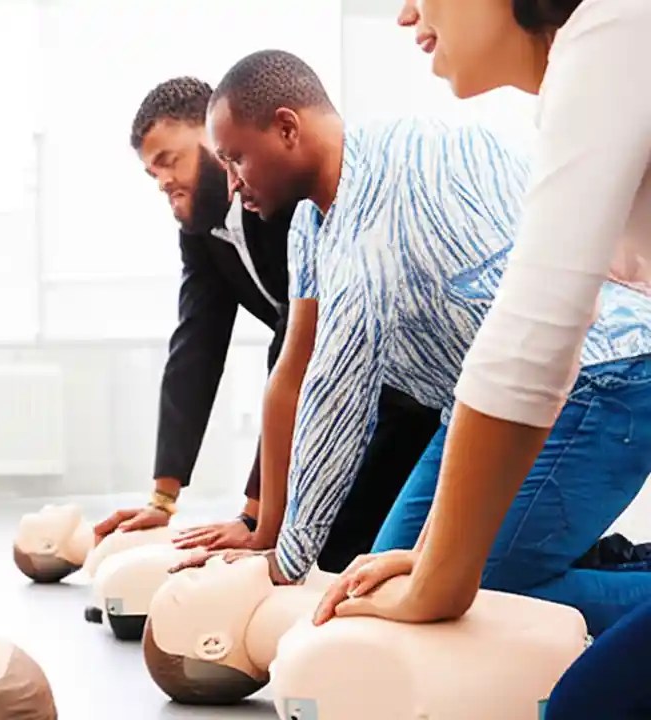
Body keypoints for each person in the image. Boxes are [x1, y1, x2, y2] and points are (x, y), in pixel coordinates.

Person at [198, 49, 651, 636]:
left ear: (286, 128)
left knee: (463, 588)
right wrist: (265, 530)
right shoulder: (313, 224)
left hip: (604, 377)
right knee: (383, 577)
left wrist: (283, 567)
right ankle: (604, 564)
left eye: (236, 160)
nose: (232, 185)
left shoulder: (374, 202)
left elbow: (338, 402)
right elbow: (295, 372)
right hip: (480, 407)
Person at [307, 1, 651, 717]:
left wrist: (443, 575)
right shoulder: (587, 73)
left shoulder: (618, 33)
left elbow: (535, 334)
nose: (405, 15)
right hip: (562, 388)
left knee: (587, 703)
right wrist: (435, 553)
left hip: (610, 377)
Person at [92, 76, 439, 573]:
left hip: (395, 389)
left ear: (214, 141)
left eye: (169, 160)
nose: (163, 180)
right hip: (341, 389)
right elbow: (196, 347)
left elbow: (294, 345)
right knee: (338, 552)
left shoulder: (281, 194)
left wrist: (256, 514)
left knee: (349, 553)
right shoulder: (202, 231)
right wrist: (163, 498)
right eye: (152, 173)